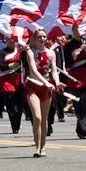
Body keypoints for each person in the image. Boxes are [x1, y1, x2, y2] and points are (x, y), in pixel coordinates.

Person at [24, 28, 62, 157]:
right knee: (37, 117)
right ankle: (37, 146)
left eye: (44, 36)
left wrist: (57, 83)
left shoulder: (51, 53)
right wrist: (46, 82)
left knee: (44, 119)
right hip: (33, 86)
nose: (42, 39)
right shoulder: (30, 52)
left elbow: (54, 71)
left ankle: (43, 146)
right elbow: (33, 70)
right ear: (34, 39)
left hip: (46, 88)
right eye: (39, 37)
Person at [62, 22, 86, 139]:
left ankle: (81, 129)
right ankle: (83, 131)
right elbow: (68, 63)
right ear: (72, 31)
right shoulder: (68, 46)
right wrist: (75, 56)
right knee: (80, 103)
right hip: (76, 78)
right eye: (76, 29)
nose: (78, 32)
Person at [0, 35, 26, 135]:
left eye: (13, 40)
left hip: (19, 80)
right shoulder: (2, 52)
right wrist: (9, 65)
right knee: (11, 104)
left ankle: (17, 123)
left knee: (20, 105)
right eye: (9, 40)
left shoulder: (21, 52)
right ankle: (14, 125)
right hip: (7, 80)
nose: (11, 41)